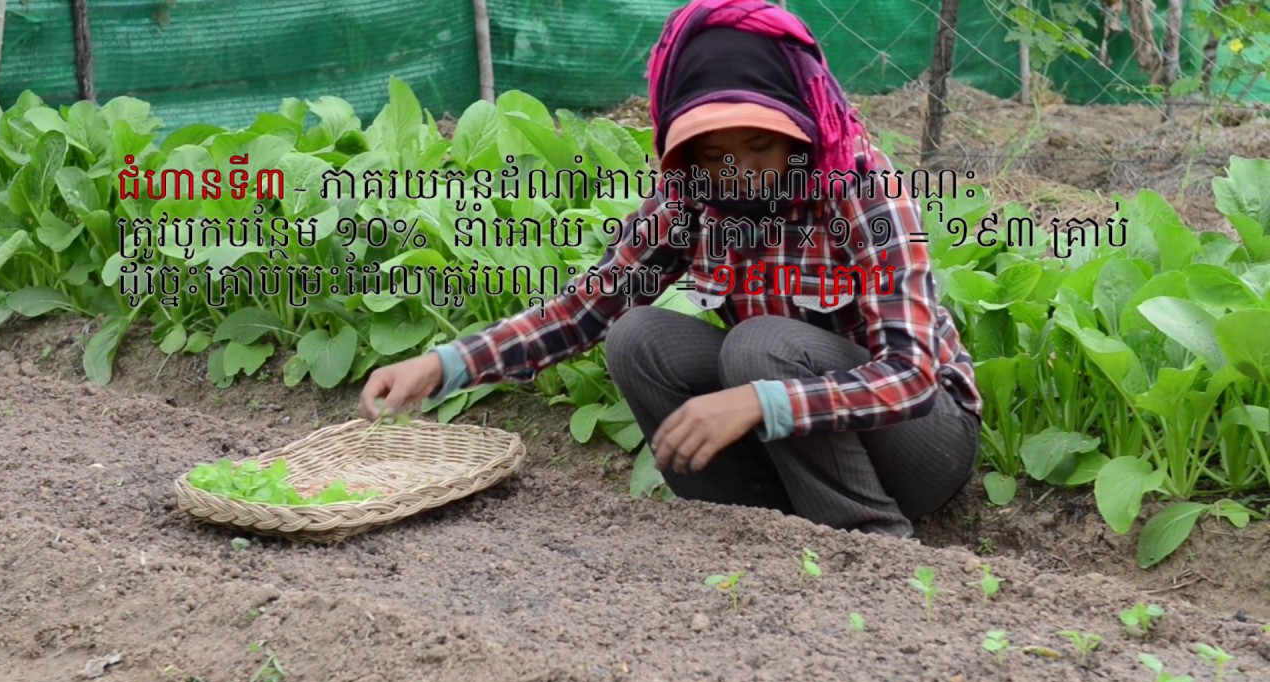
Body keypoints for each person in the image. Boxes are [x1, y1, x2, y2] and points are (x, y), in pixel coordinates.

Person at [358, 0, 982, 538]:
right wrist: (445, 365)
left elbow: (912, 373)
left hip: (920, 442)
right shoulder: (690, 200)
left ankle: (869, 542)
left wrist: (763, 402)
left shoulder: (859, 188)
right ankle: (748, 530)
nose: (738, 170)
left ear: (800, 126)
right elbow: (586, 311)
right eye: (714, 154)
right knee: (639, 338)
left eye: (761, 145)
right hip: (794, 440)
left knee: (759, 345)